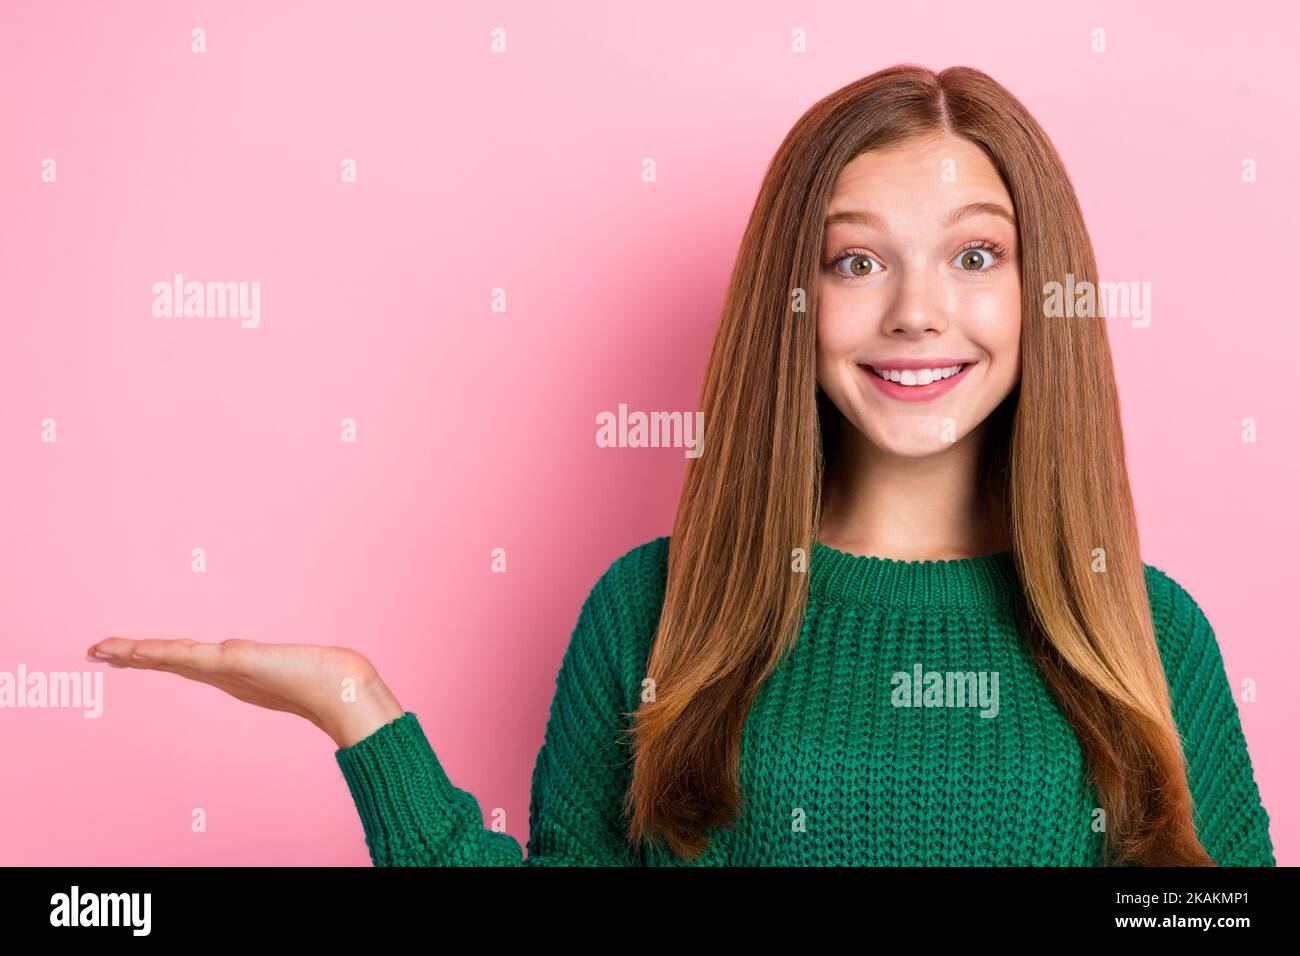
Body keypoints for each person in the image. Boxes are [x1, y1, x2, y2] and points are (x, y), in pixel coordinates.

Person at [85, 63, 1275, 867]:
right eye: (857, 264)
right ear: (792, 301)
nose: (918, 311)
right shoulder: (652, 610)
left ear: (1038, 293)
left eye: (975, 255)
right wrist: (359, 712)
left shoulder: (1148, 630)